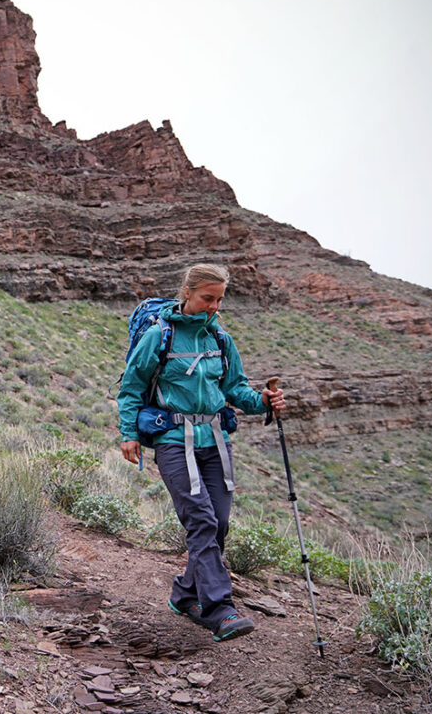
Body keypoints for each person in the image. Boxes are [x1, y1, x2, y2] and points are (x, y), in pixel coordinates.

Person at [117, 264, 285, 642]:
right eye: (207, 298)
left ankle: (185, 594)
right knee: (202, 521)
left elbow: (236, 389)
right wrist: (128, 434)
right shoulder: (160, 336)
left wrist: (263, 401)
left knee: (219, 523)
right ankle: (219, 608)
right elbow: (131, 388)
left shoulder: (220, 339)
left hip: (215, 441)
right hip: (175, 441)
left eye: (219, 299)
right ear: (188, 293)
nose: (214, 306)